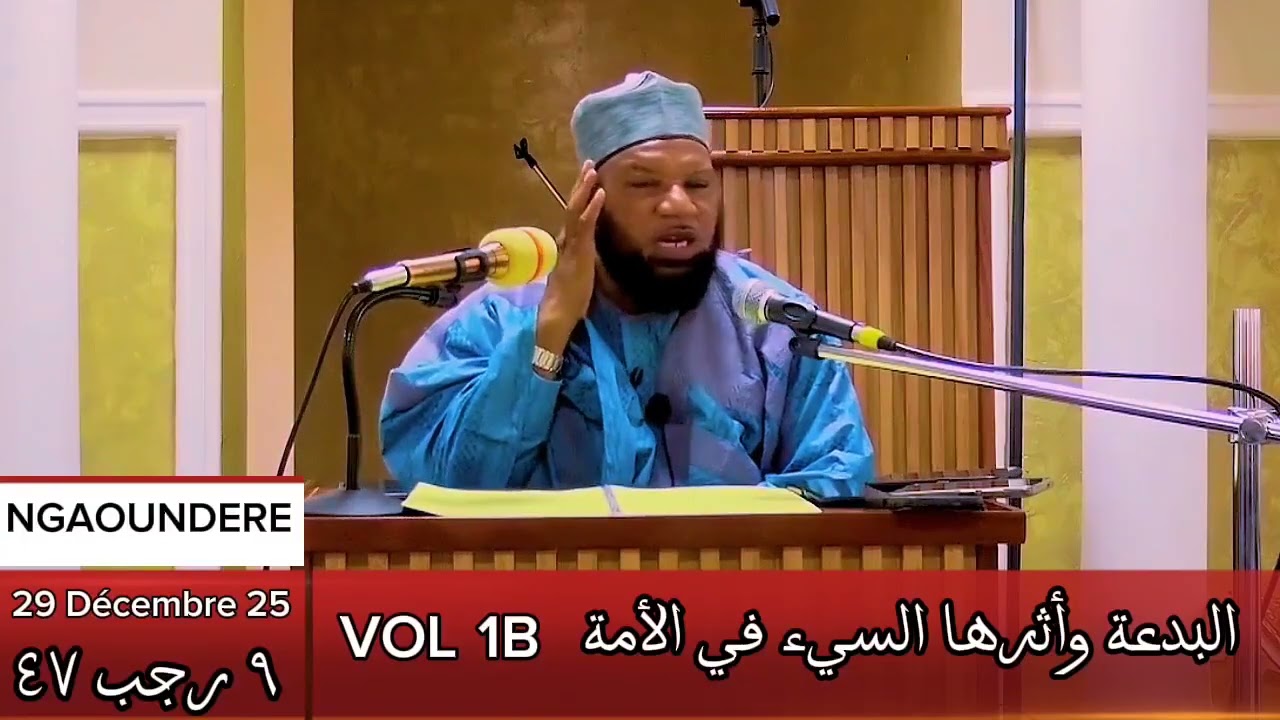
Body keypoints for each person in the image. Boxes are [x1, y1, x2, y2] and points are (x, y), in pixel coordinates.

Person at [379, 70, 875, 498]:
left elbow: (833, 476)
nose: (679, 205)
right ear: (588, 201)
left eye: (698, 184)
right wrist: (548, 333)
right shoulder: (498, 317)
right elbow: (449, 488)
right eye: (644, 184)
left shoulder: (773, 322)